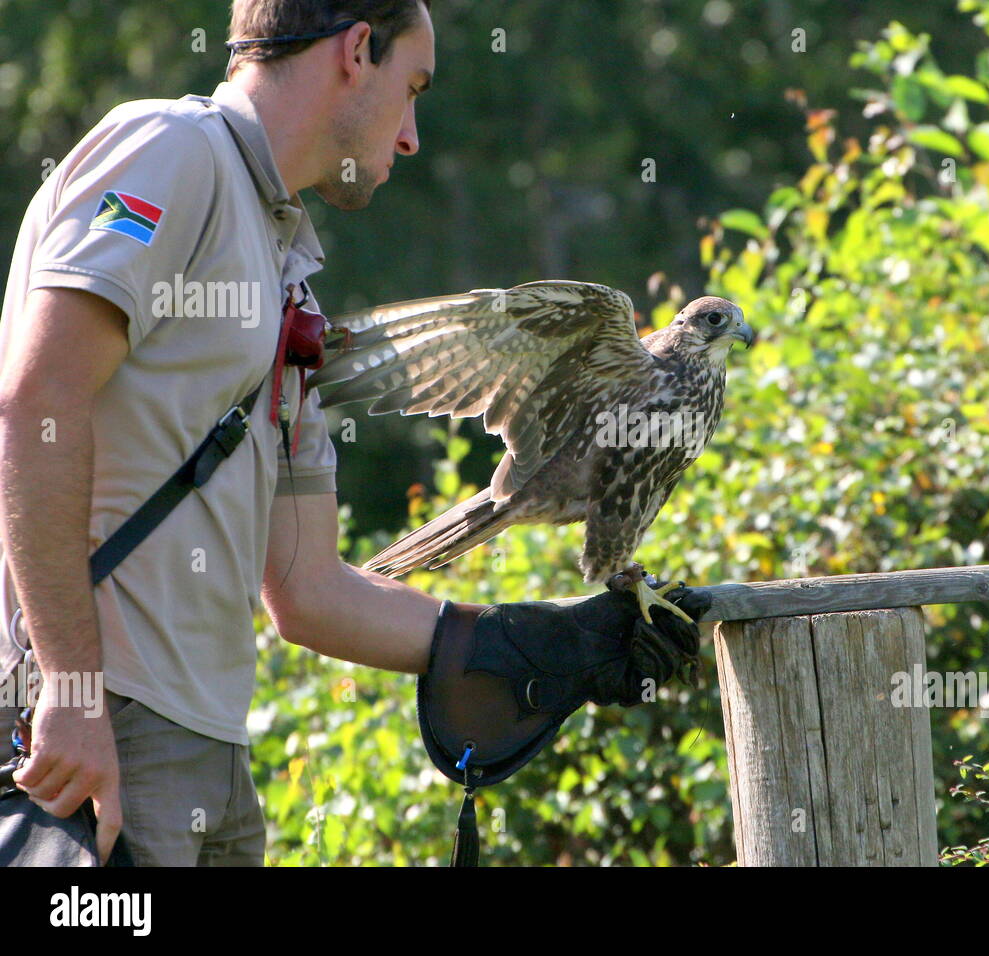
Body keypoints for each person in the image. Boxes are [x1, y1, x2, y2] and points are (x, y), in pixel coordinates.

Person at [0, 0, 701, 867]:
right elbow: (35, 401)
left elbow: (308, 593)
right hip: (97, 724)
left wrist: (540, 642)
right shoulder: (172, 152)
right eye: (412, 90)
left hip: (216, 759)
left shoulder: (289, 276)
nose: (411, 138)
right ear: (356, 51)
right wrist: (70, 691)